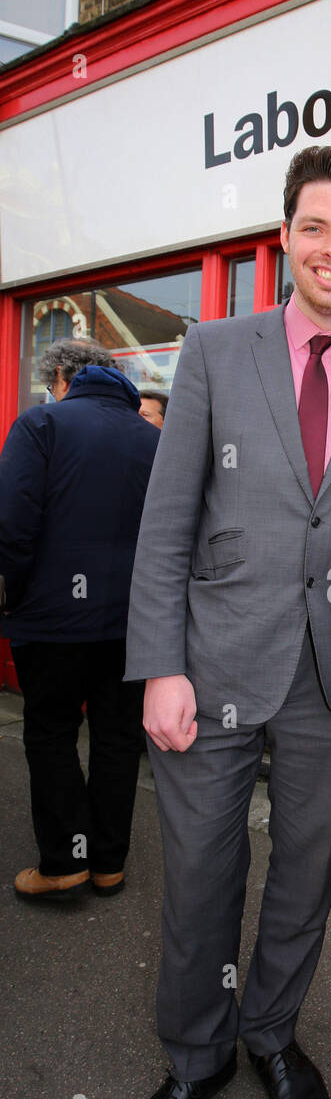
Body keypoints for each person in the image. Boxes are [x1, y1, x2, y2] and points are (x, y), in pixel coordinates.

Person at [102, 145, 331, 1099]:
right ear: (285, 236)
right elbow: (165, 523)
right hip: (209, 665)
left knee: (304, 877)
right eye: (318, 228)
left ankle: (272, 1035)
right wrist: (158, 664)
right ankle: (194, 1059)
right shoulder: (212, 348)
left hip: (330, 680)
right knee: (200, 876)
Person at [0, 339, 160, 900]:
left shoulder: (41, 425)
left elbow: (13, 527)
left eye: (52, 384)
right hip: (132, 624)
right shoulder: (153, 439)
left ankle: (65, 861)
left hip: (52, 621)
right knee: (118, 740)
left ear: (64, 376)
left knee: (51, 735)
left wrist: (14, 598)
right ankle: (107, 865)